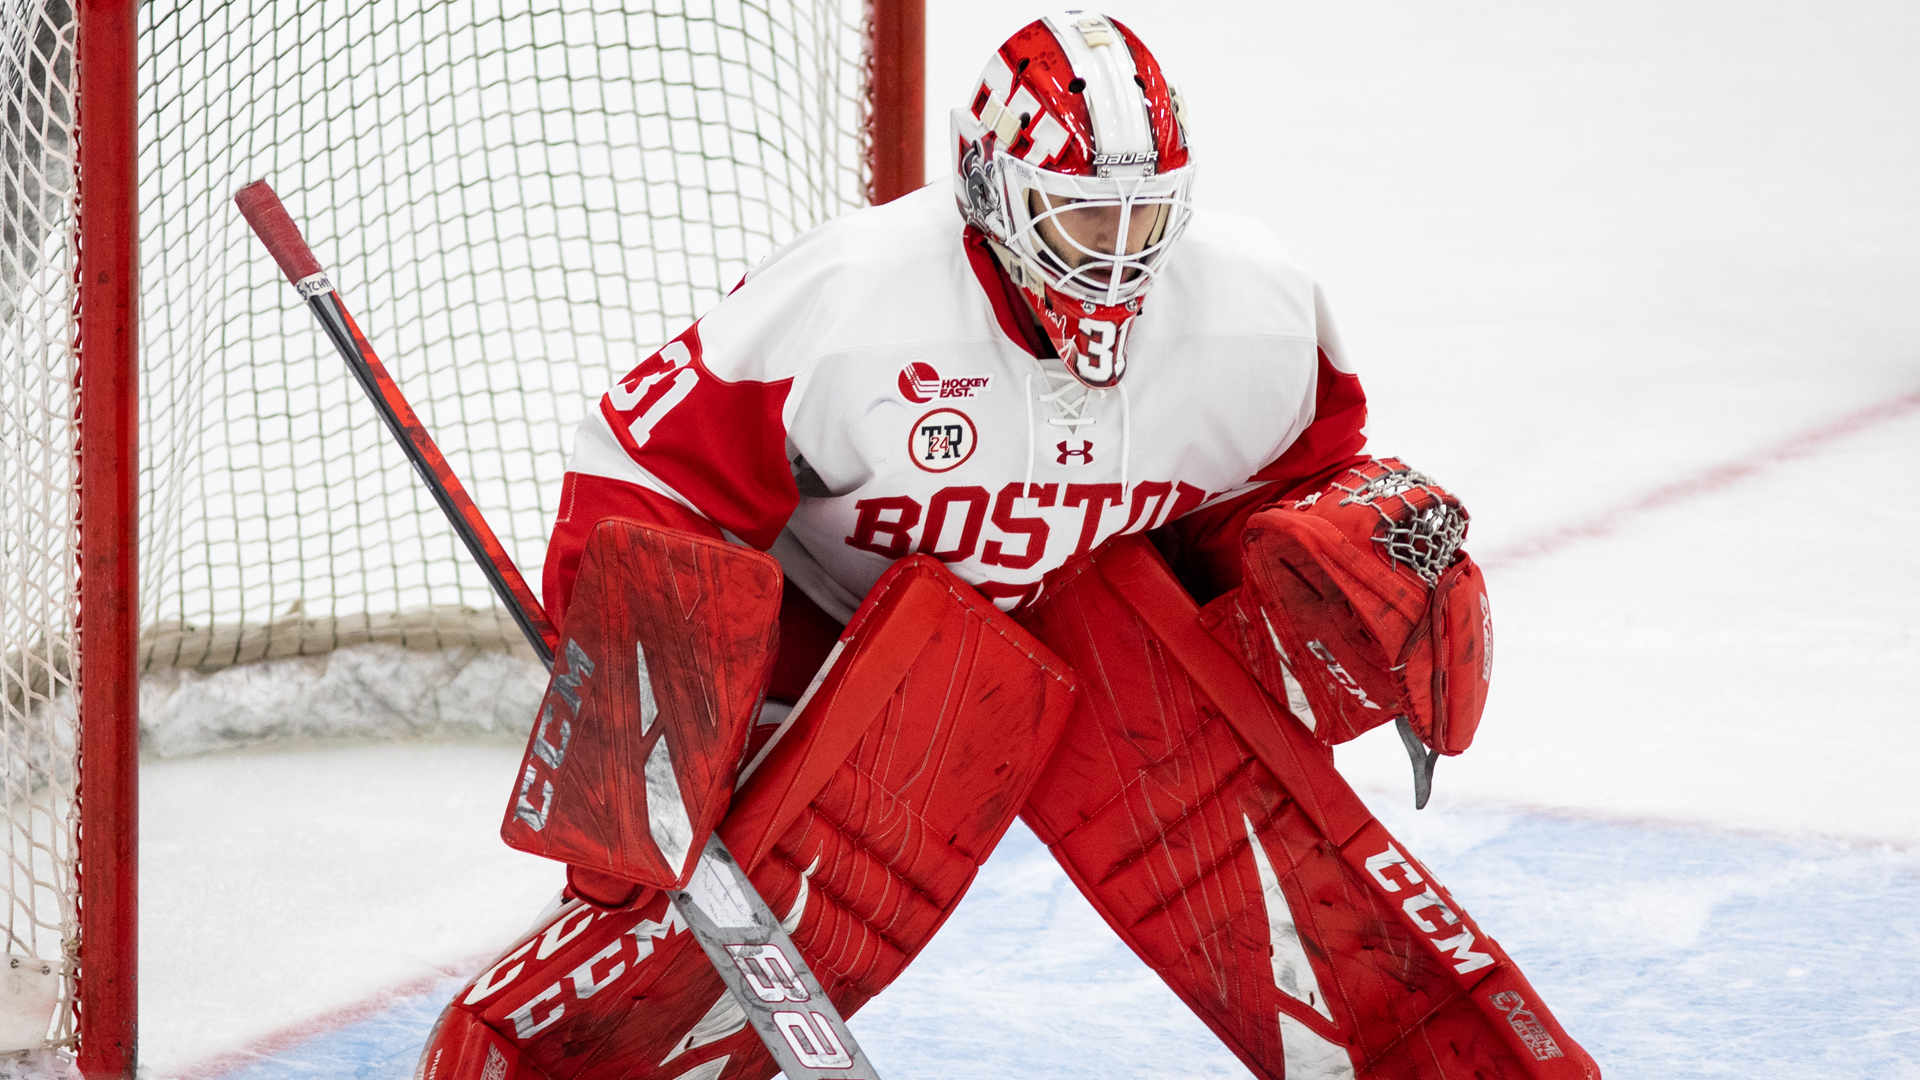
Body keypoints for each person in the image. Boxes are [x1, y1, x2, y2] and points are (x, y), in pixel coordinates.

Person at [416, 12, 1600, 1080]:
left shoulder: (1252, 308)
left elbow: (1288, 482)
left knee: (1276, 852)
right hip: (850, 645)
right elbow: (646, 469)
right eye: (1086, 214)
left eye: (1146, 217)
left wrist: (1338, 559)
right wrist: (649, 721)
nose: (1118, 254)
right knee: (749, 915)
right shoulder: (855, 298)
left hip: (1102, 628)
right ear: (990, 188)